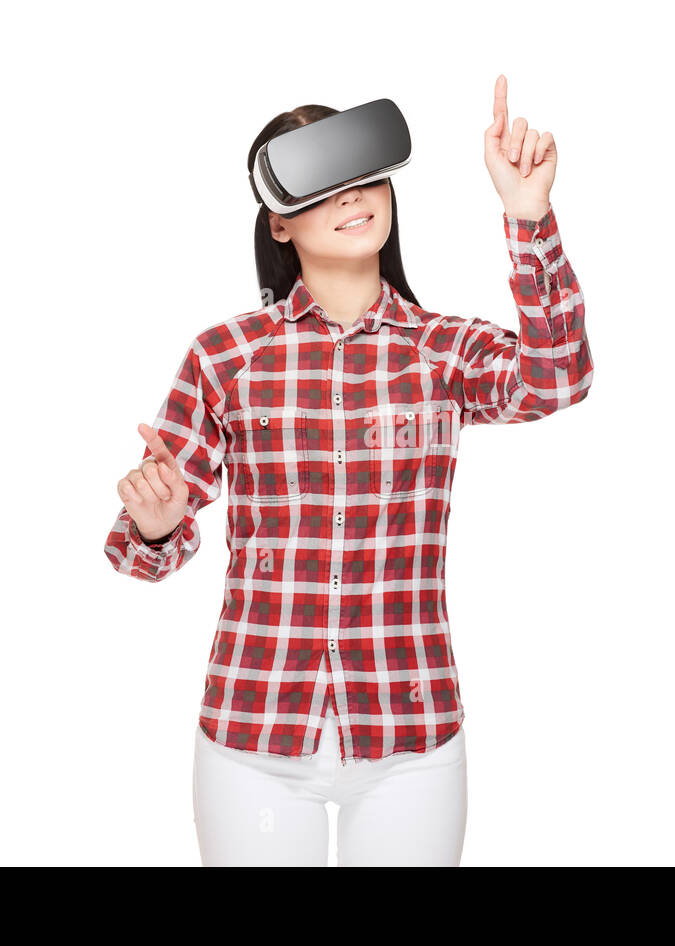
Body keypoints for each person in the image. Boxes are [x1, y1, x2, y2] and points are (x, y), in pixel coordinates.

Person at [104, 75, 592, 865]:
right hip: (253, 740)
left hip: (410, 739)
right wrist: (158, 525)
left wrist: (528, 217)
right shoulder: (226, 357)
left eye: (364, 178)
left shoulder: (443, 349)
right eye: (322, 187)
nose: (352, 197)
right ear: (280, 222)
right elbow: (146, 541)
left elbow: (558, 376)